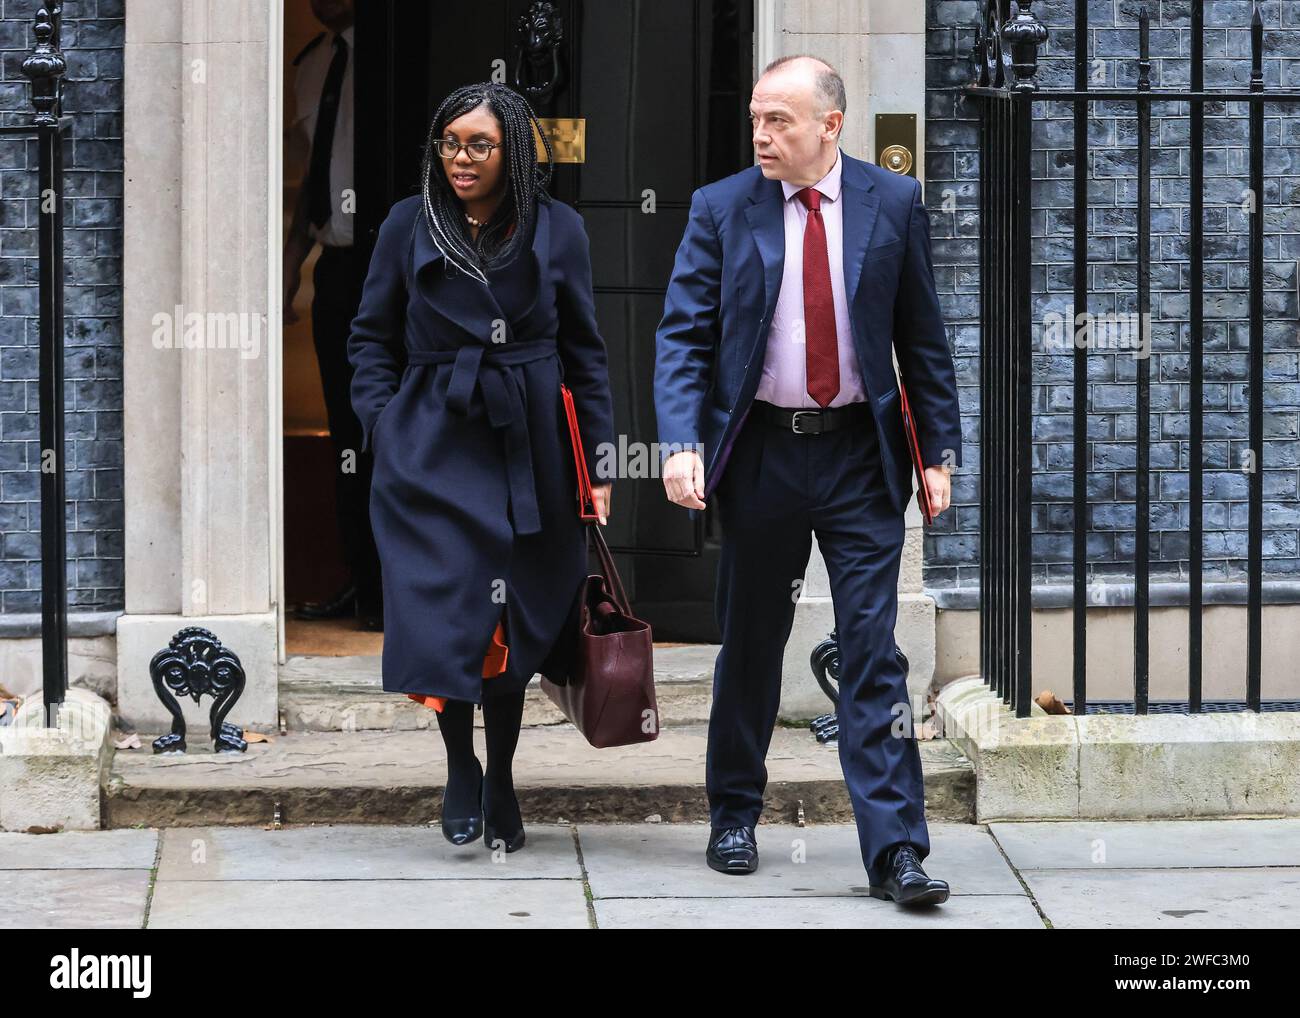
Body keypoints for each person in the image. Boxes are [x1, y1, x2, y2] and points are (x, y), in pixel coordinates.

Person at [653, 55, 962, 906]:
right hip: (761, 455)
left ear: (831, 125)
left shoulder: (891, 203)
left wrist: (938, 452)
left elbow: (921, 338)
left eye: (779, 120)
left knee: (873, 653)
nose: (761, 134)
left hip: (861, 458)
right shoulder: (721, 208)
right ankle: (734, 814)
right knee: (751, 644)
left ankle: (896, 850)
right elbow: (682, 335)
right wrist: (680, 441)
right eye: (756, 118)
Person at [347, 82, 615, 854]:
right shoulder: (408, 223)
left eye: (479, 145)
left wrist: (598, 462)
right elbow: (369, 338)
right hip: (431, 445)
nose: (461, 158)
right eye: (450, 142)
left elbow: (586, 355)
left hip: (529, 445)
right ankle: (460, 766)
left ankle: (501, 773)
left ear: (515, 153)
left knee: (513, 619)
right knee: (444, 613)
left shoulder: (558, 230)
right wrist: (384, 422)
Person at [284, 0, 384, 629]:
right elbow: (310, 174)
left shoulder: (398, 60)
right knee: (347, 432)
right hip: (339, 268)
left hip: (395, 266)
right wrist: (291, 265)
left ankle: (405, 590)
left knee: (394, 434)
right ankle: (362, 583)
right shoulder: (309, 65)